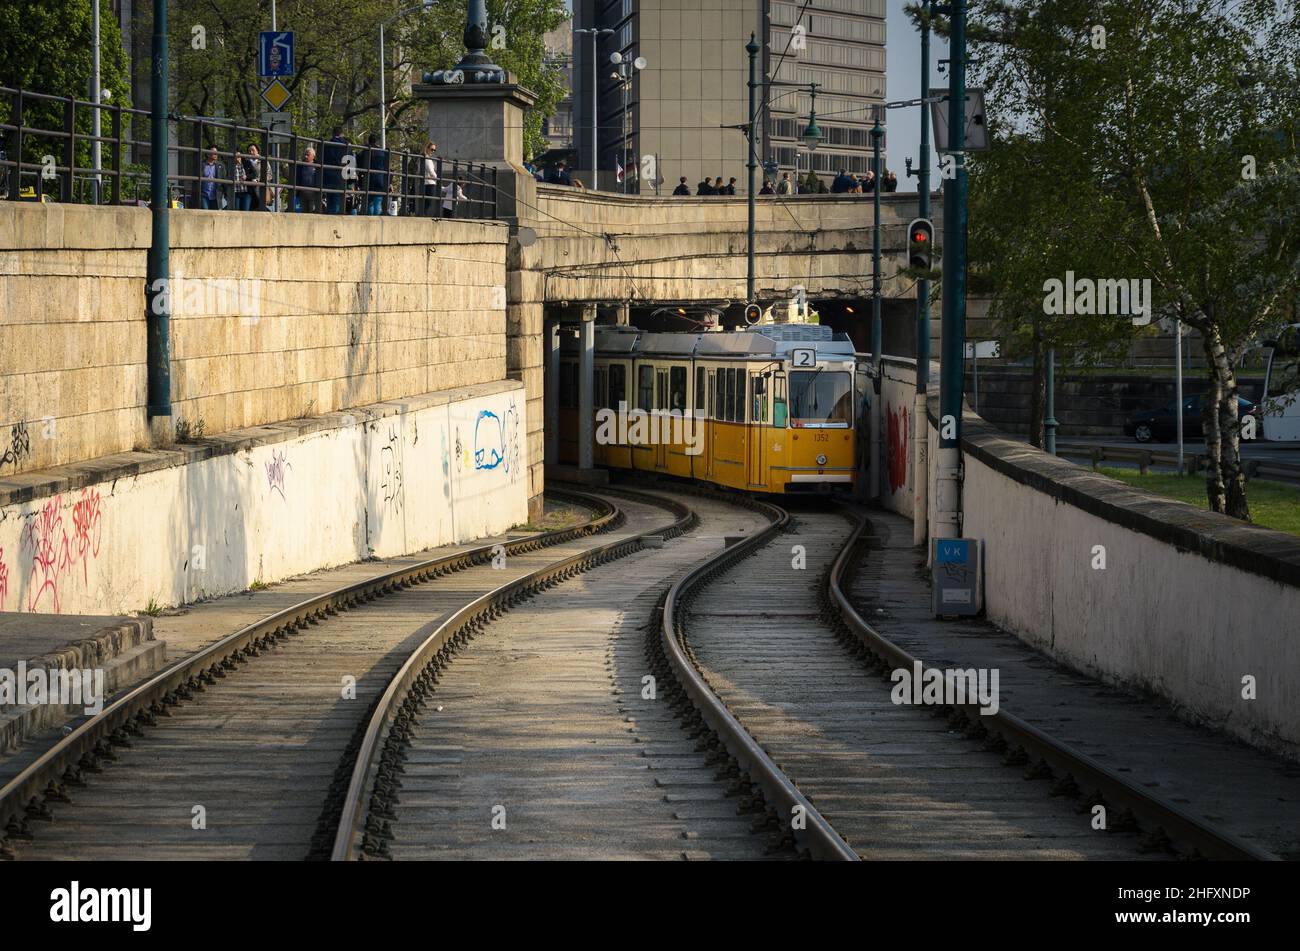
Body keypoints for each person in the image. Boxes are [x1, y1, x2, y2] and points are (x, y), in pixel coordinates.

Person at [321, 128, 350, 214]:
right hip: (340, 176)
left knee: (330, 198)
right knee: (337, 199)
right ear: (342, 134)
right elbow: (351, 160)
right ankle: (334, 218)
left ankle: (330, 215)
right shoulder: (346, 145)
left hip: (327, 175)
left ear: (333, 134)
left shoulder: (326, 144)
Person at [363, 134, 388, 215]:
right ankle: (376, 219)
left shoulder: (366, 150)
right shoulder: (381, 152)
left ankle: (370, 218)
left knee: (369, 201)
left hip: (369, 178)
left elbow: (361, 162)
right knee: (377, 201)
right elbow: (386, 165)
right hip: (380, 178)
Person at [294, 146, 319, 213]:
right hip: (302, 192)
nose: (305, 156)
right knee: (303, 212)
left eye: (308, 155)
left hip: (313, 193)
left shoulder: (317, 166)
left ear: (313, 156)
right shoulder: (300, 165)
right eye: (305, 154)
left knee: (312, 211)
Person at [422, 142, 439, 216]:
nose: (433, 151)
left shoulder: (425, 158)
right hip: (429, 183)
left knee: (427, 201)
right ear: (427, 148)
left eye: (434, 150)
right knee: (428, 201)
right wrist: (437, 178)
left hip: (427, 182)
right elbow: (431, 171)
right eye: (432, 149)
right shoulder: (427, 159)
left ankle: (424, 214)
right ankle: (424, 214)